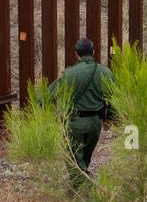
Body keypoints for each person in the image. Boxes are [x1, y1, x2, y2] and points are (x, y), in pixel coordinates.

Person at [49, 38, 114, 183]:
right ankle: (82, 188)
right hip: (95, 123)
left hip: (74, 123)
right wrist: (110, 119)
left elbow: (50, 94)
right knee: (85, 158)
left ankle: (82, 190)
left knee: (74, 162)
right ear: (94, 51)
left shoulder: (70, 73)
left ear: (76, 54)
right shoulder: (106, 72)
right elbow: (112, 99)